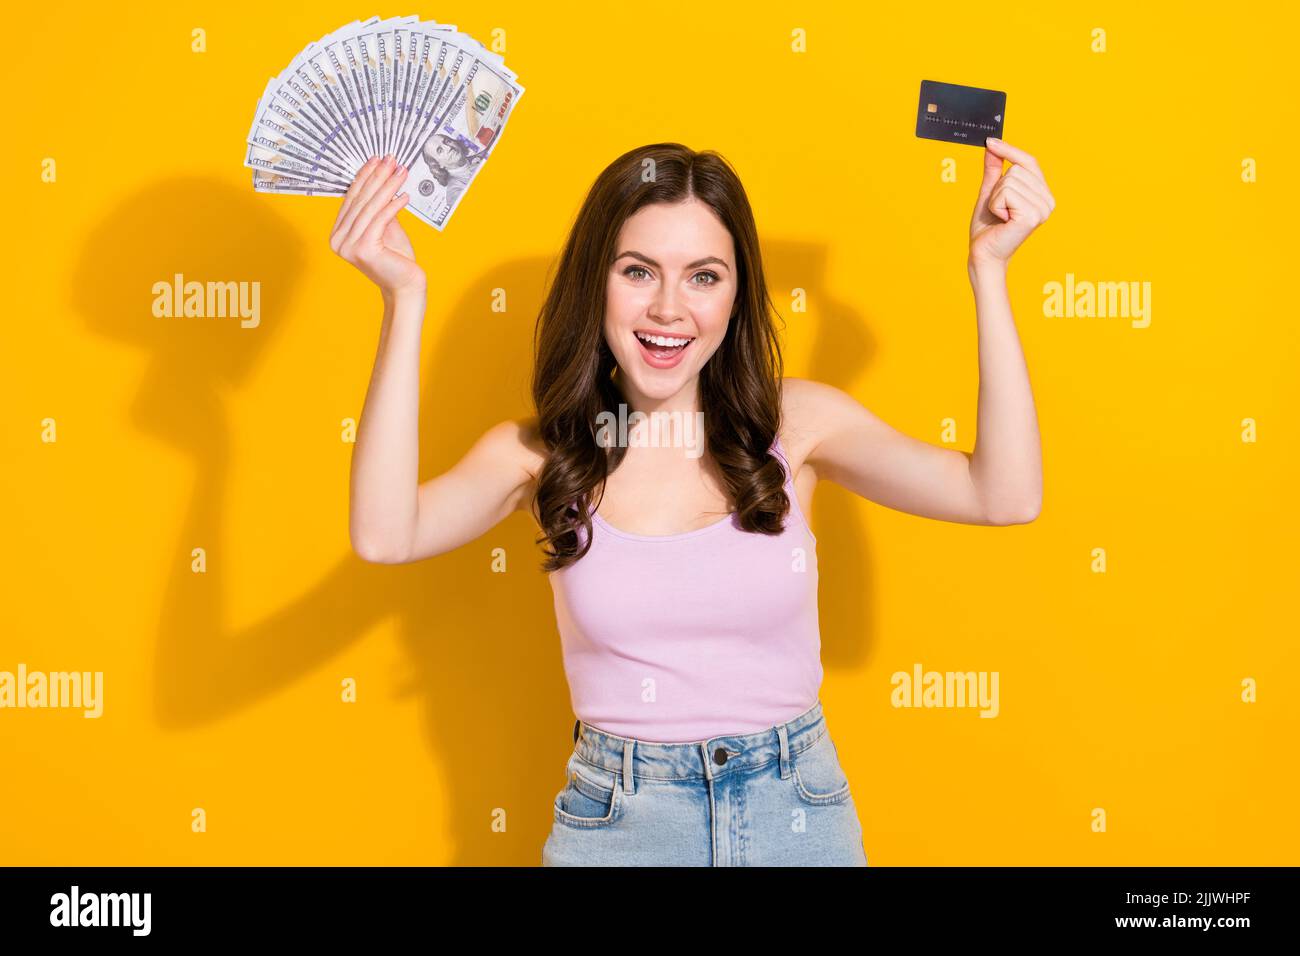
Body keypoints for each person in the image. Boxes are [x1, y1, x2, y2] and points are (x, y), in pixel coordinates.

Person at [328, 140, 1052, 866]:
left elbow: (1003, 495)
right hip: (618, 824)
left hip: (796, 815)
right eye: (638, 271)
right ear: (595, 283)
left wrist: (989, 269)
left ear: (736, 296)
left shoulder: (793, 427)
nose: (669, 309)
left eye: (704, 277)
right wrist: (403, 298)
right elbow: (386, 535)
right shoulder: (541, 455)